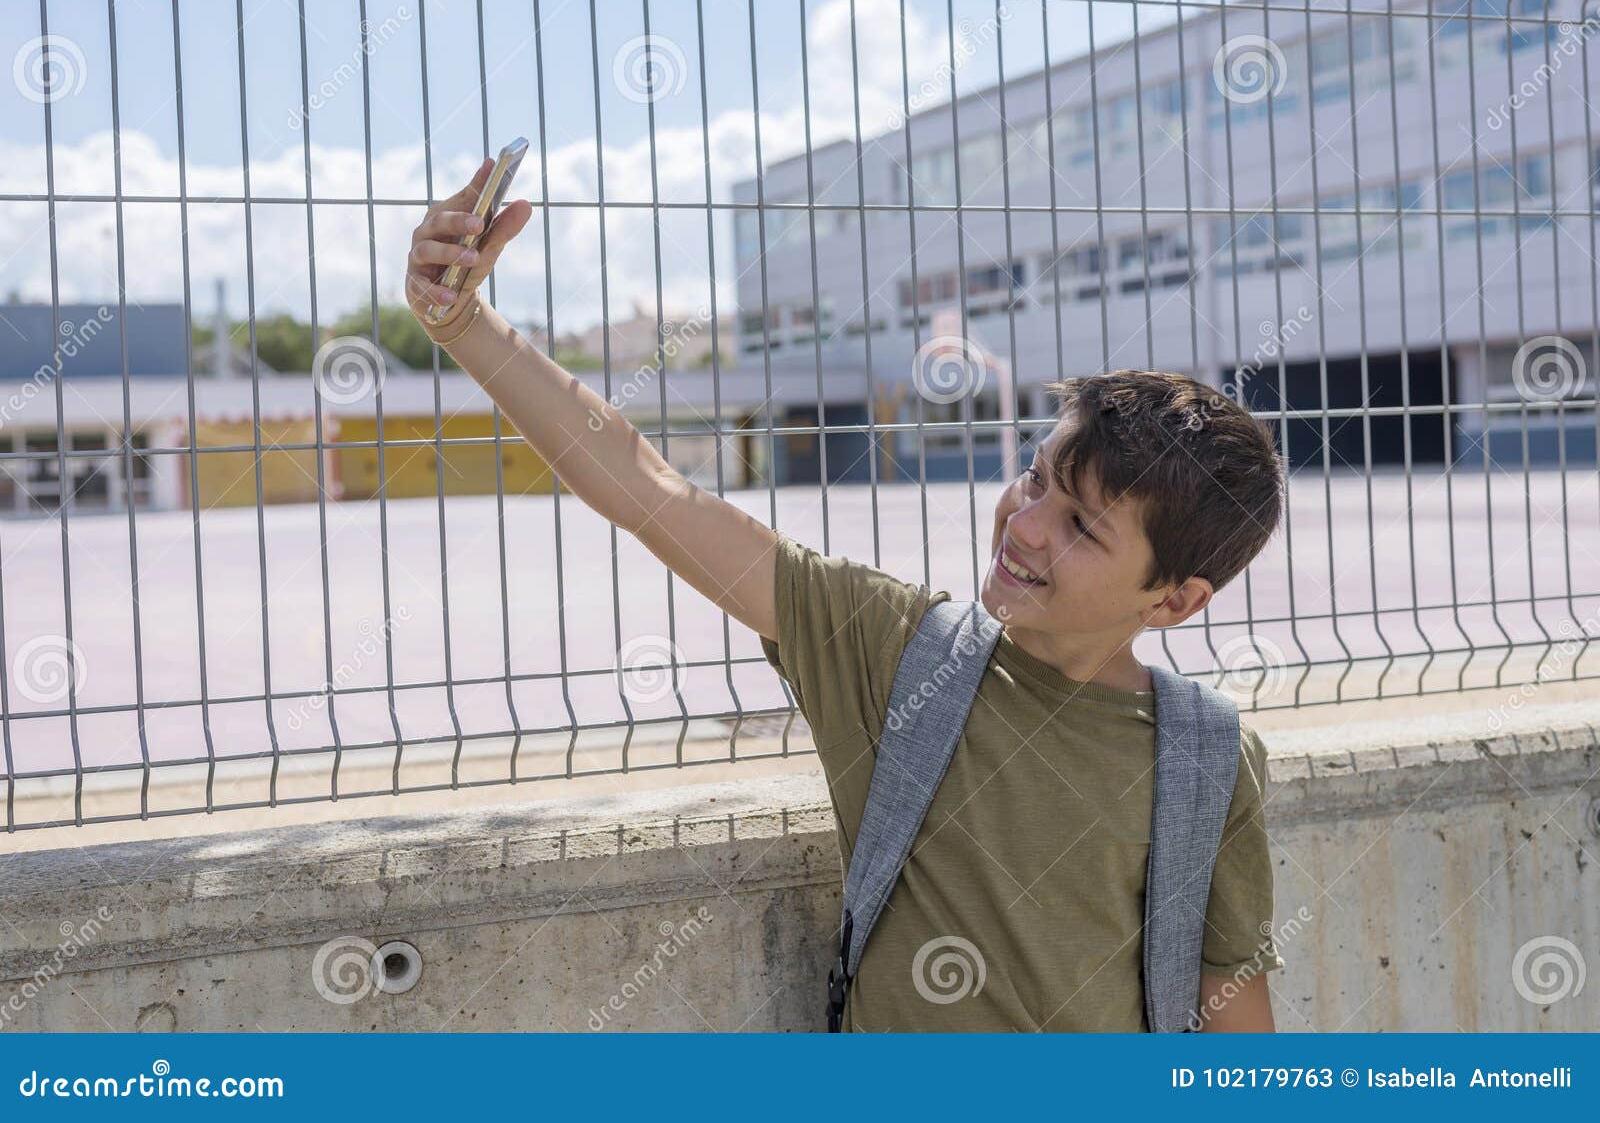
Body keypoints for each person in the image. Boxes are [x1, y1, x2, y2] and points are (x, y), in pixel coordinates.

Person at [403, 159, 1285, 1032]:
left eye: (1083, 527)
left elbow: (1231, 1015)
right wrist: (468, 325)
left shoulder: (1207, 756)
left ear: (1174, 600)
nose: (1026, 525)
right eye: (1035, 477)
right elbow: (652, 489)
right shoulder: (895, 650)